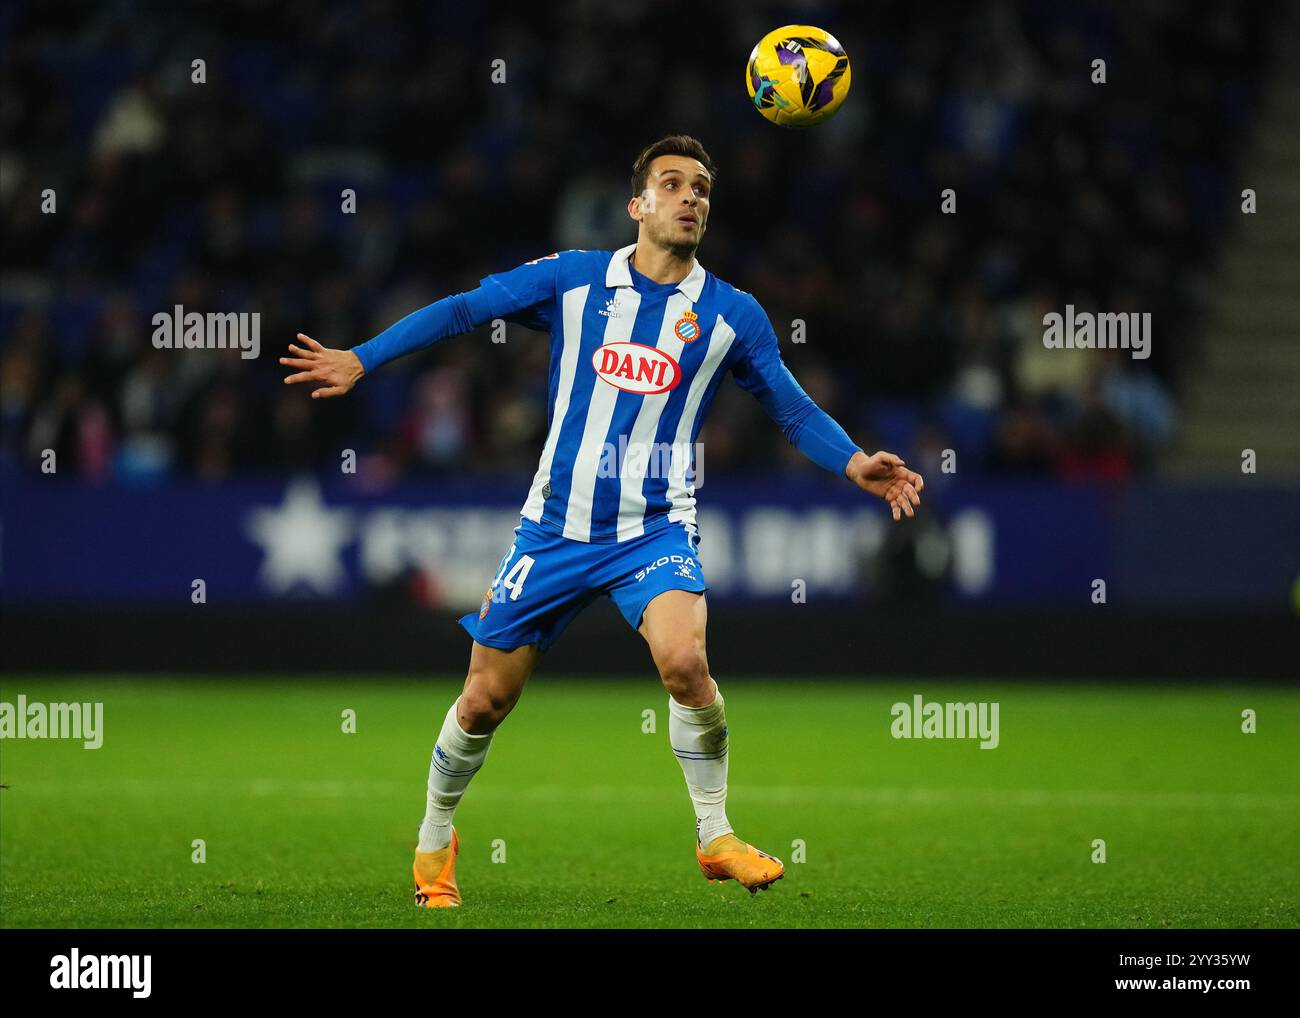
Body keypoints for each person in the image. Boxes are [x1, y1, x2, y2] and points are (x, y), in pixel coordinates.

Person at [281, 134, 924, 907]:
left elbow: (789, 406)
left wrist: (855, 462)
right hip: (553, 528)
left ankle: (714, 835)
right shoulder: (573, 280)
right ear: (638, 204)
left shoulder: (731, 315)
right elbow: (462, 310)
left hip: (653, 531)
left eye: (703, 190)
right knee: (485, 700)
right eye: (675, 184)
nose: (692, 198)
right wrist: (364, 357)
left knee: (685, 663)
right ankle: (433, 844)